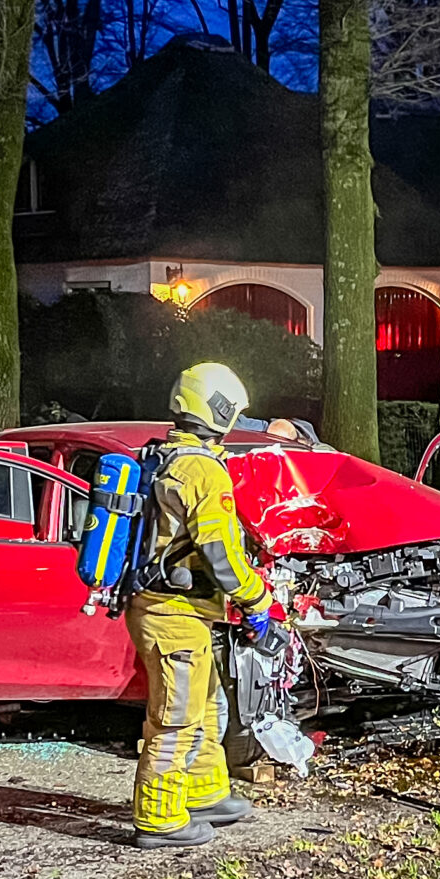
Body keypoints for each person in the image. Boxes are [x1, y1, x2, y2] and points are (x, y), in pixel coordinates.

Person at [124, 363, 282, 848]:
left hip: (174, 609)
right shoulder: (201, 469)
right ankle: (159, 817)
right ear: (220, 409)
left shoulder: (166, 454)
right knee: (175, 717)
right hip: (173, 613)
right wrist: (257, 600)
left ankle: (205, 791)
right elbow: (220, 550)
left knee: (207, 703)